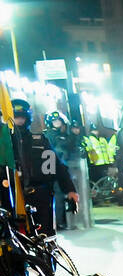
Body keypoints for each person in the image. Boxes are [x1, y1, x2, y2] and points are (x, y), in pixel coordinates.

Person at [9, 100, 78, 235]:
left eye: (22, 117)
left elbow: (57, 166)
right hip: (13, 196)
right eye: (16, 117)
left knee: (46, 235)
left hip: (40, 195)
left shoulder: (40, 140)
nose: (19, 121)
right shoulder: (5, 144)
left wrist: (70, 190)